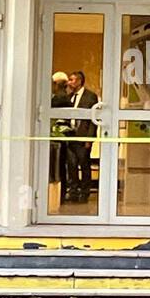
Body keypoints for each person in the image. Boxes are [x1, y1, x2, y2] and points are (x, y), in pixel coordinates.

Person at [62, 70, 99, 203]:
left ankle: (85, 192)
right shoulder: (70, 96)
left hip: (83, 137)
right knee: (71, 165)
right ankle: (73, 191)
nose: (69, 82)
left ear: (78, 81)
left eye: (71, 80)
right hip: (70, 135)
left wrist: (89, 139)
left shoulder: (90, 96)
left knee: (84, 165)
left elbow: (93, 119)